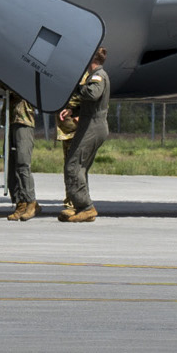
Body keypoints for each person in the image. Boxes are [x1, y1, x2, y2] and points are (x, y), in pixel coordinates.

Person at [57, 48, 110, 223]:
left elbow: (93, 94)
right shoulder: (94, 76)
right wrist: (73, 110)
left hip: (93, 126)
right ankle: (82, 208)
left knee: (72, 166)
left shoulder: (97, 76)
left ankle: (86, 207)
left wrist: (76, 87)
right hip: (90, 124)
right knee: (79, 167)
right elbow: (90, 102)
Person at [3, 88, 39, 220]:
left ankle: (31, 202)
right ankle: (20, 204)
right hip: (11, 119)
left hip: (24, 120)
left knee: (23, 163)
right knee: (11, 164)